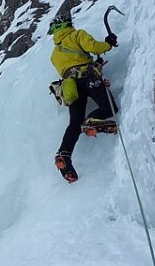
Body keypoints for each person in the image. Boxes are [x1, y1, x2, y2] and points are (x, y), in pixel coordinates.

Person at [49, 10, 118, 183]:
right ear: (67, 24)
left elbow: (72, 66)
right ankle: (92, 120)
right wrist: (108, 43)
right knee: (109, 107)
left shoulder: (55, 54)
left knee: (74, 123)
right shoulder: (76, 35)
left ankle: (64, 154)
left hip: (70, 86)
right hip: (89, 78)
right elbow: (93, 47)